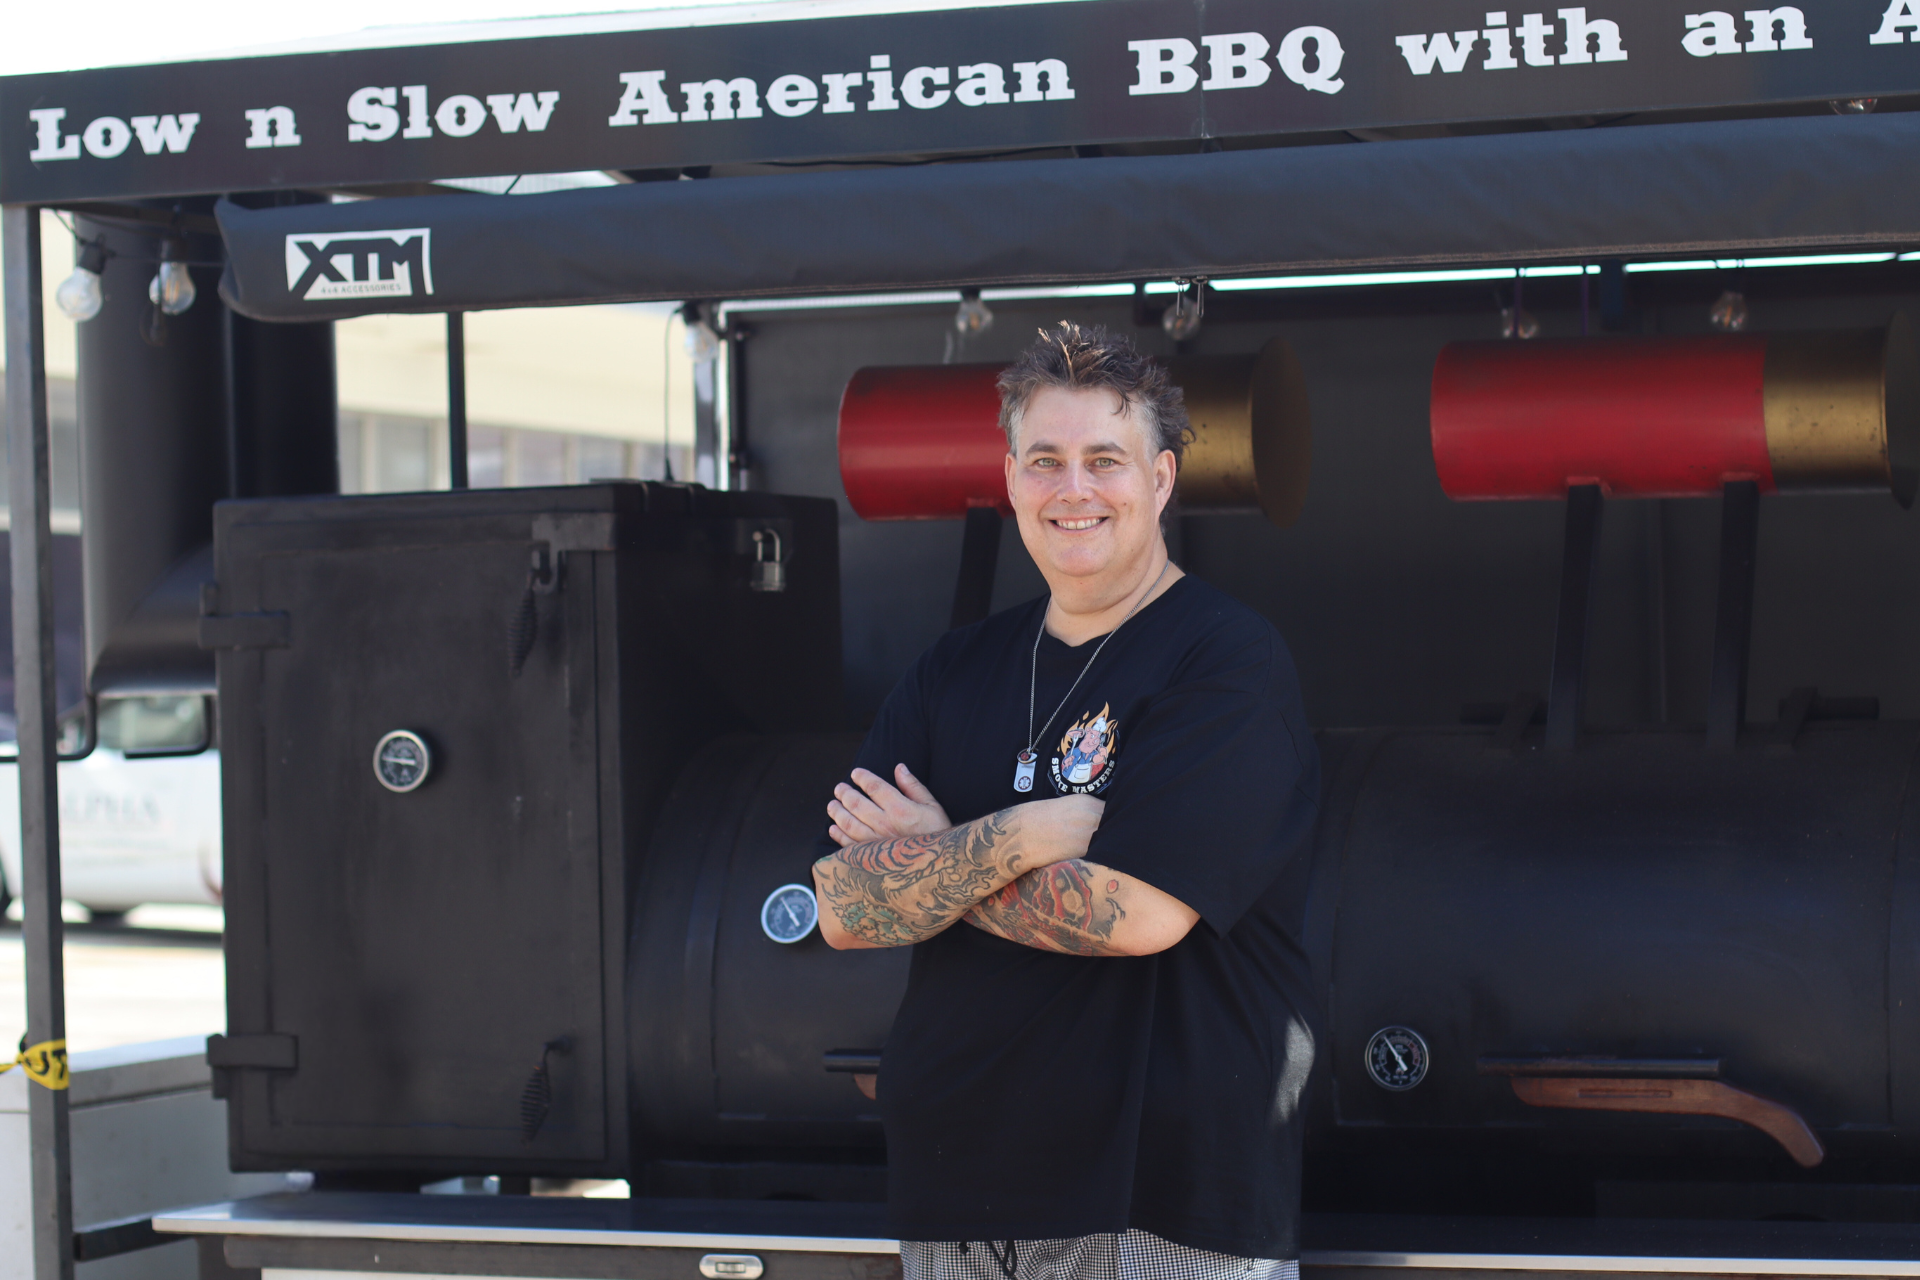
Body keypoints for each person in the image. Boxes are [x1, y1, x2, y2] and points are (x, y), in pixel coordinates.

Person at [812, 321, 1320, 1280]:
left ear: (1161, 480)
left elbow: (1138, 913)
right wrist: (1018, 835)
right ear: (1008, 480)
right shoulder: (951, 670)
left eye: (1105, 460)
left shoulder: (1226, 663)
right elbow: (843, 906)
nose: (1073, 488)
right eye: (1044, 460)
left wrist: (936, 855)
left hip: (1158, 1216)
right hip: (956, 1206)